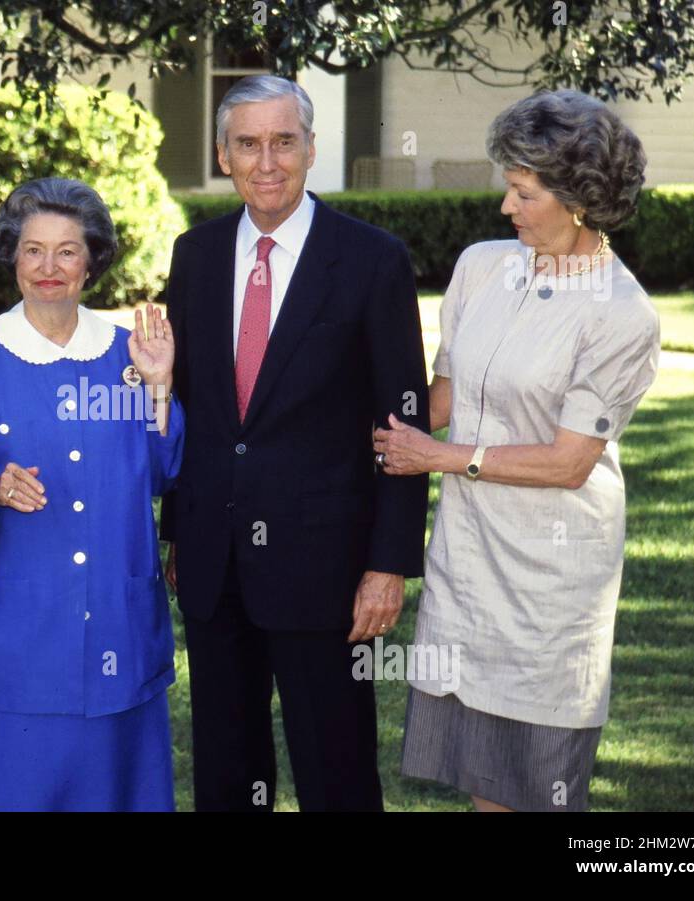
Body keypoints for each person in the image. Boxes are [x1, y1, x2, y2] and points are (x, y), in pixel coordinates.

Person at [374, 89, 659, 812]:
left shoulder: (622, 313)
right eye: (509, 187)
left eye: (523, 192)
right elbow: (440, 398)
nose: (507, 207)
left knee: (542, 787)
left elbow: (569, 461)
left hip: (550, 578)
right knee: (486, 788)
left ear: (579, 200)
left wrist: (437, 458)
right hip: (468, 559)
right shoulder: (480, 267)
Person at [160, 75, 430, 811]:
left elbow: (402, 420)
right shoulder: (197, 254)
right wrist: (180, 531)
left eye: (284, 141)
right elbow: (192, 407)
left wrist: (389, 563)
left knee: (335, 772)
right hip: (215, 569)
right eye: (248, 144)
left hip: (328, 572)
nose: (267, 161)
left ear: (312, 148)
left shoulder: (372, 260)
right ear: (223, 154)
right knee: (225, 770)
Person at [0, 177, 184, 811]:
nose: (49, 267)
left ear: (93, 260)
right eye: (33, 249)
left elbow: (169, 472)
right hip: (12, 640)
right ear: (12, 256)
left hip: (119, 628)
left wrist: (159, 387)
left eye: (67, 250)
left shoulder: (129, 355)